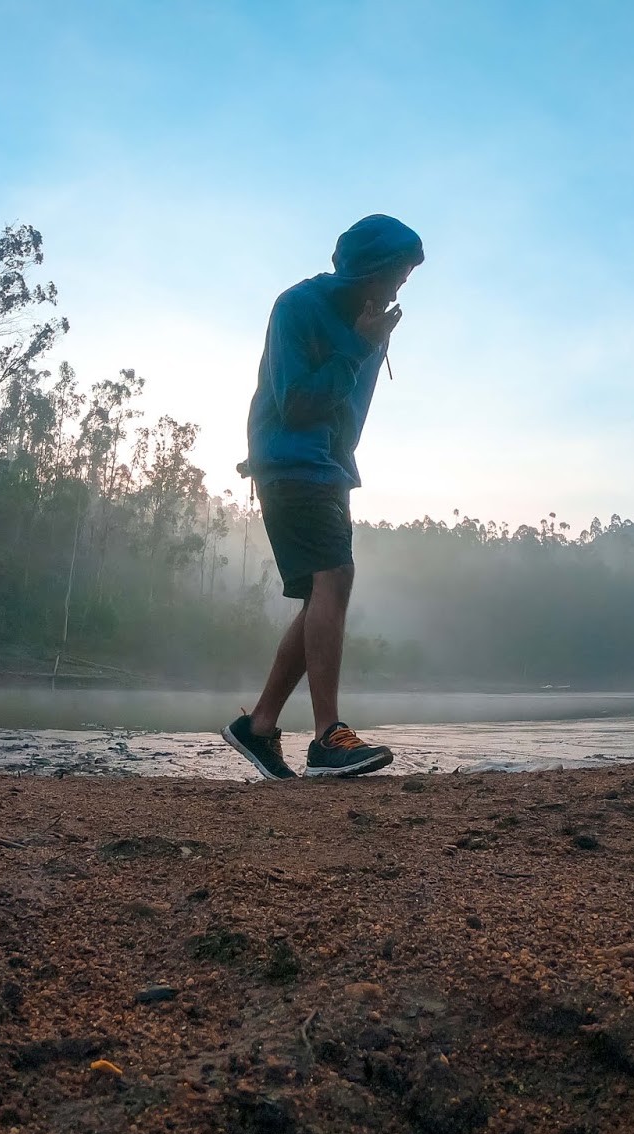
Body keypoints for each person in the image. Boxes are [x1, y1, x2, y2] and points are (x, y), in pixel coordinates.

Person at [223, 214, 424, 779]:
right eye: (395, 277)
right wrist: (359, 347)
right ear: (369, 269)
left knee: (323, 594)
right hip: (291, 462)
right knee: (335, 579)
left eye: (405, 282)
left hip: (329, 469)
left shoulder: (364, 320)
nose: (397, 290)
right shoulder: (299, 308)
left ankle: (259, 727)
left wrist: (366, 341)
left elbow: (344, 415)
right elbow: (298, 404)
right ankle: (326, 739)